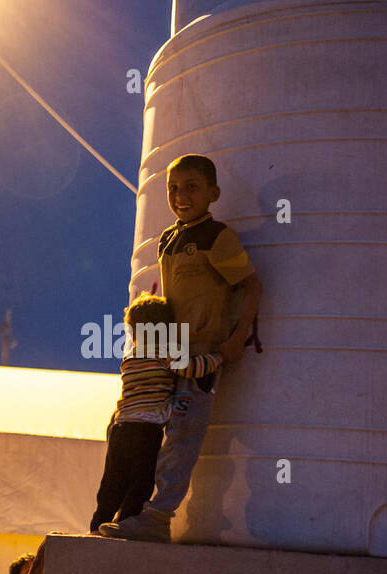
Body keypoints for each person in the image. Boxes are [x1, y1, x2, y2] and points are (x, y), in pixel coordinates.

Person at [101, 154, 262, 542]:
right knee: (136, 430)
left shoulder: (217, 237)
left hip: (200, 353)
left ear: (213, 193)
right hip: (165, 351)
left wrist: (237, 338)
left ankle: (158, 517)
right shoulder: (168, 239)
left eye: (191, 187)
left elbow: (251, 285)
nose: (180, 195)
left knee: (183, 435)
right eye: (173, 188)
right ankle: (129, 511)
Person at [89, 292, 231, 534]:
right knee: (141, 482)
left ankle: (97, 524)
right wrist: (218, 358)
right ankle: (125, 525)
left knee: (113, 480)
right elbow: (193, 368)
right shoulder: (165, 351)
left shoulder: (130, 357)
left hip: (121, 426)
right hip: (146, 430)